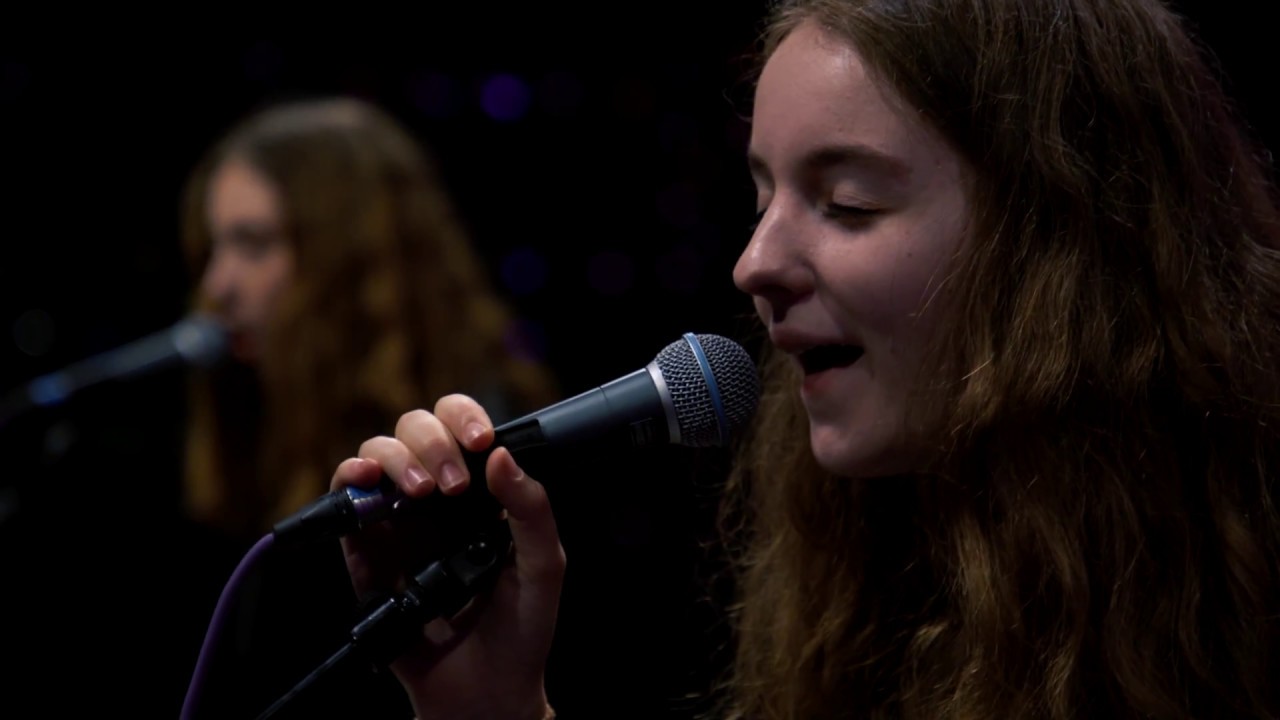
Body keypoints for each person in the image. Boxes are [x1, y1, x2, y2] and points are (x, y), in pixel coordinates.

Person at [330, 0, 1280, 718]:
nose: (753, 264)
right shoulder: (868, 578)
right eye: (763, 198)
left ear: (1062, 245)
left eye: (849, 203)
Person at [172, 96, 560, 718]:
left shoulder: (474, 451)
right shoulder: (257, 436)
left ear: (350, 261)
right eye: (215, 247)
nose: (218, 285)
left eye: (254, 243)